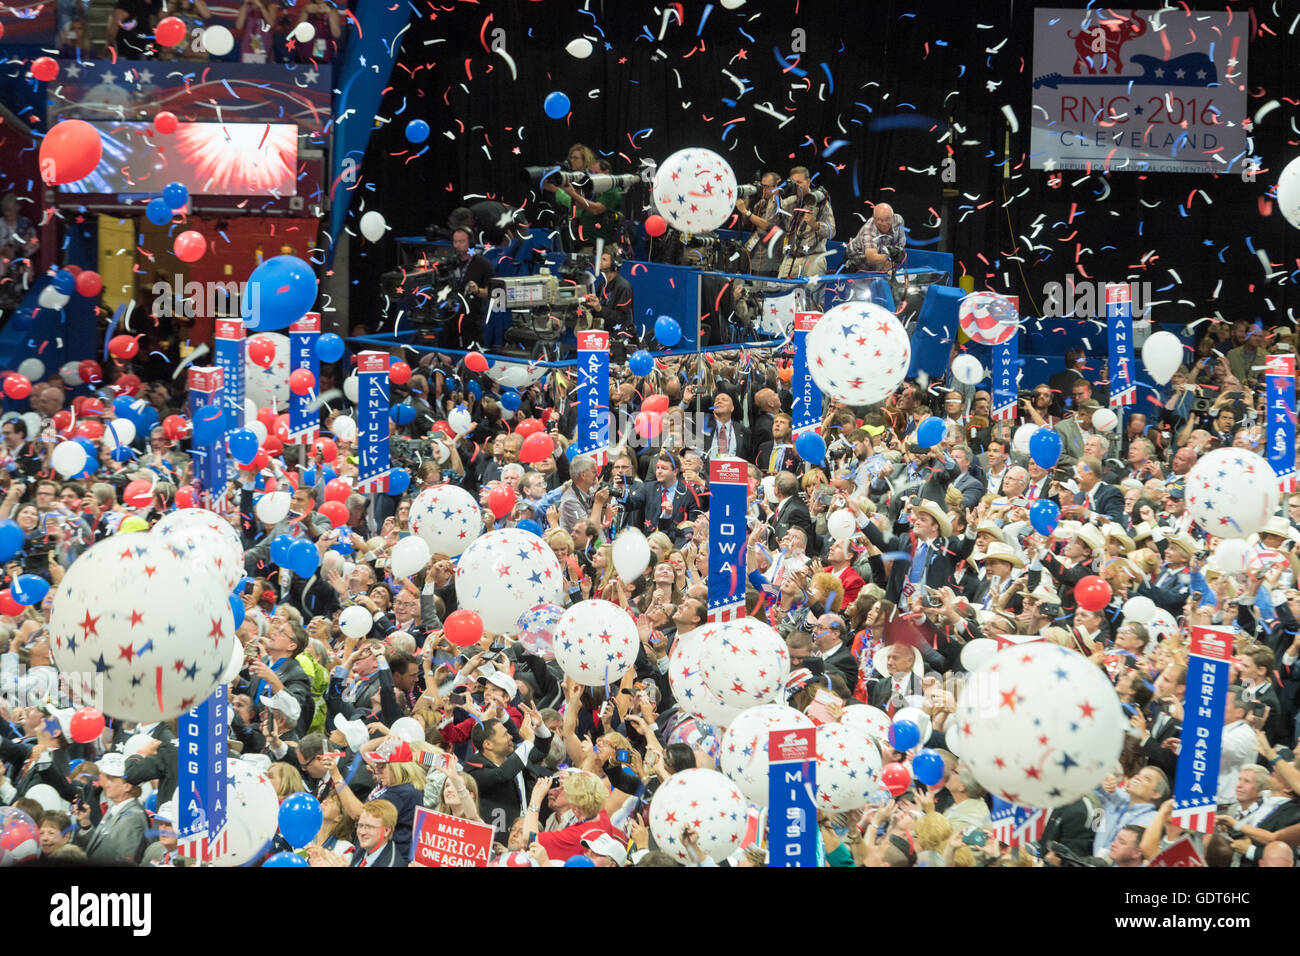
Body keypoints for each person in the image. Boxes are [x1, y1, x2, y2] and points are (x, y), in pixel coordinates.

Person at [776, 166, 835, 278]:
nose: (796, 186)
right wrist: (777, 192)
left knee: (810, 294)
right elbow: (771, 220)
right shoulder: (789, 202)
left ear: (808, 182)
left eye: (799, 182)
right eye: (793, 182)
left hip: (813, 259)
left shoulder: (821, 202)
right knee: (780, 290)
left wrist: (815, 225)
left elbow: (832, 231)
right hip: (790, 257)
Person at [443, 226, 495, 350]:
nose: (457, 245)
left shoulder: (483, 264)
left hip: (472, 321)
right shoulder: (448, 263)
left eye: (461, 242)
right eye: (455, 241)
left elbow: (492, 293)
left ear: (470, 243)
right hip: (449, 318)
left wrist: (477, 290)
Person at [581, 248, 635, 362]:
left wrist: (599, 308)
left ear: (614, 264)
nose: (599, 262)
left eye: (604, 259)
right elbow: (599, 312)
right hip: (602, 338)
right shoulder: (602, 285)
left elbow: (622, 318)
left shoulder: (623, 287)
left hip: (618, 343)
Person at [734, 172, 783, 277]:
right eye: (762, 186)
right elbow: (746, 222)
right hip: (755, 257)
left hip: (770, 260)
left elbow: (767, 225)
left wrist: (745, 212)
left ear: (777, 187)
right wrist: (747, 201)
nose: (763, 189)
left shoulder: (780, 204)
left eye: (767, 186)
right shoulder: (761, 204)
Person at [845, 202, 906, 272]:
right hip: (856, 262)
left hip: (879, 260)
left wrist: (893, 259)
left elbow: (900, 247)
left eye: (887, 219)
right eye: (879, 220)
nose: (884, 223)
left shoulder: (898, 221)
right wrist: (888, 258)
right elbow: (871, 257)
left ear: (893, 217)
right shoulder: (868, 229)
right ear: (874, 218)